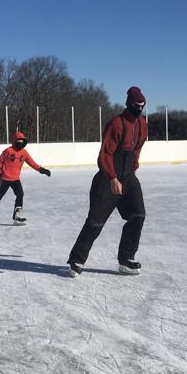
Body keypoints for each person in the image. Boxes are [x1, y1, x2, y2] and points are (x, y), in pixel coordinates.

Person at [67, 86, 148, 277]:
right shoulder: (117, 123)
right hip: (107, 177)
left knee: (138, 215)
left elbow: (137, 148)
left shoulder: (143, 125)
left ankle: (126, 259)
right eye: (137, 105)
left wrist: (133, 168)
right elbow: (105, 153)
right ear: (129, 104)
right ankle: (76, 260)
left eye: (143, 106)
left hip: (128, 176)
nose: (140, 109)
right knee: (95, 221)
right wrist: (112, 177)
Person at [0, 131, 51, 225]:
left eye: (22, 141)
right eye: (18, 141)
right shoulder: (8, 151)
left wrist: (42, 170)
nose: (20, 143)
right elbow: (0, 161)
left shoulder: (24, 153)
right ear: (14, 141)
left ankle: (16, 215)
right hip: (4, 179)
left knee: (20, 194)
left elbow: (32, 163)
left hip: (15, 179)